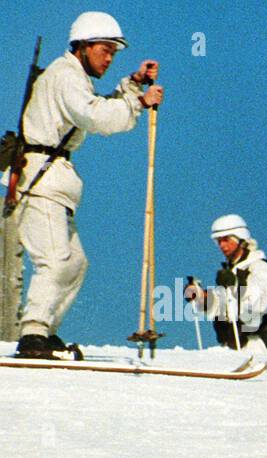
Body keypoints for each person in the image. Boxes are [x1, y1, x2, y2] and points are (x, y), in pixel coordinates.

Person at [11, 11, 163, 359]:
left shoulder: (75, 78)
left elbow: (98, 105)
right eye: (104, 49)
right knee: (54, 259)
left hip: (54, 180)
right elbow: (94, 116)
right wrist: (139, 103)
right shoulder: (65, 76)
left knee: (75, 263)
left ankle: (45, 331)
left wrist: (133, 84)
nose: (109, 58)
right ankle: (33, 334)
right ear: (82, 46)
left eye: (113, 52)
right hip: (41, 180)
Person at [185, 214, 267, 353]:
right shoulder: (229, 271)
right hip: (233, 348)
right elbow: (224, 307)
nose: (222, 245)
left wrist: (235, 285)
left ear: (240, 239)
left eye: (226, 240)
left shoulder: (259, 267)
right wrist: (202, 297)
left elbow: (260, 302)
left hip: (260, 348)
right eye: (219, 241)